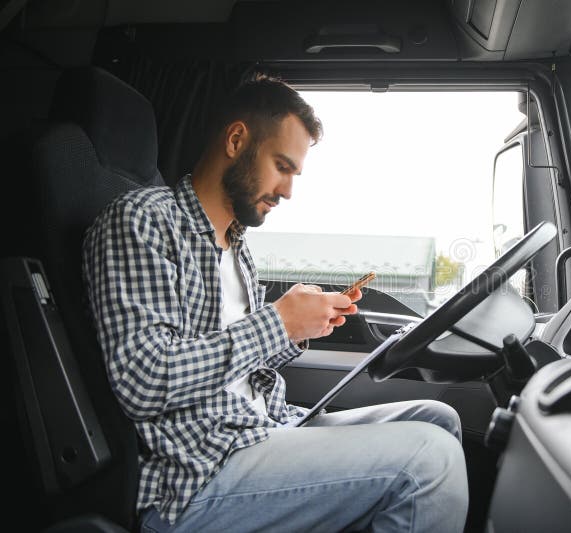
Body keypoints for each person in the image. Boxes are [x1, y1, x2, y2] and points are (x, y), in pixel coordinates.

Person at [81, 77, 469, 532]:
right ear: (236, 139)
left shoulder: (236, 245)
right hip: (199, 475)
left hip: (265, 427)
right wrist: (278, 323)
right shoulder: (143, 220)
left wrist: (301, 327)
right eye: (281, 166)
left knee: (439, 419)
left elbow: (238, 363)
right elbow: (143, 380)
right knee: (430, 460)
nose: (287, 191)